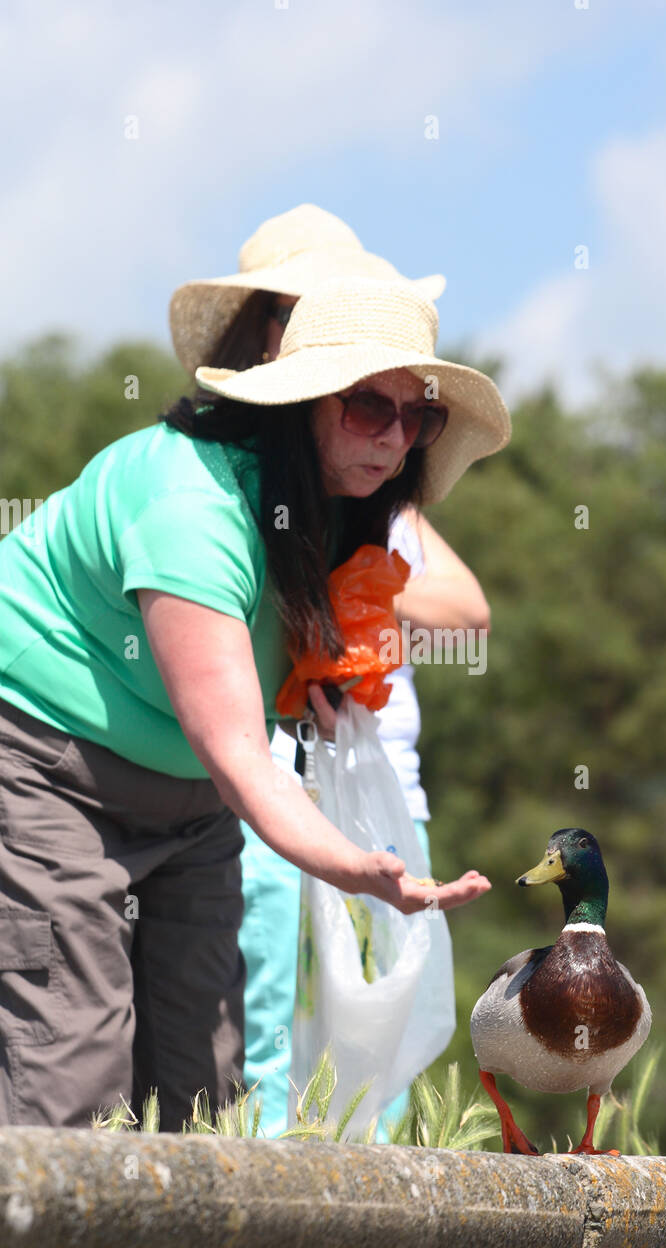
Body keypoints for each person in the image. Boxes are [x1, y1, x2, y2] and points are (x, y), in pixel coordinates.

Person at [0, 273, 509, 1129]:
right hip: (48, 766)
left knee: (206, 1096)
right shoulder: (188, 505)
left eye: (414, 416)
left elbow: (269, 724)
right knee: (73, 1078)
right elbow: (240, 754)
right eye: (364, 407)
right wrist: (351, 865)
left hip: (192, 801)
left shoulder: (345, 516)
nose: (392, 437)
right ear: (299, 402)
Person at [169, 206, 492, 1135]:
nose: (393, 428)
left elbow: (466, 608)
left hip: (373, 777)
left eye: (412, 413)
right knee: (264, 1011)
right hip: (265, 775)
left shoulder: (375, 477)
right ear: (270, 336)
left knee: (374, 1029)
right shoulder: (227, 483)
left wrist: (349, 598)